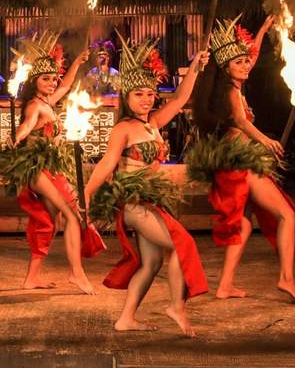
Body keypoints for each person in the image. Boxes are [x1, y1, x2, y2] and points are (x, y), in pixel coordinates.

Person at [84, 37, 210, 336]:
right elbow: (106, 164)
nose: (146, 99)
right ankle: (176, 306)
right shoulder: (123, 129)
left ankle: (125, 318)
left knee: (151, 263)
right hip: (134, 203)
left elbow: (179, 100)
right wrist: (87, 195)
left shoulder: (152, 123)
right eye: (139, 94)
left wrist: (194, 68)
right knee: (183, 245)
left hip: (151, 202)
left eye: (151, 94)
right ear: (126, 96)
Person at [186, 15, 295, 305]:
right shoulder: (230, 92)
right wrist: (266, 140)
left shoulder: (234, 85)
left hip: (234, 164)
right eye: (239, 63)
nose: (246, 66)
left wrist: (264, 30)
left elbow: (251, 56)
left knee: (243, 224)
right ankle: (286, 278)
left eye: (245, 62)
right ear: (226, 68)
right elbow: (242, 123)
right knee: (287, 214)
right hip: (241, 163)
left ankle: (225, 285)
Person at [0, 31, 105, 293]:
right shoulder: (35, 105)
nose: (53, 83)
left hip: (49, 167)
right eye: (46, 79)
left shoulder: (48, 102)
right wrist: (17, 137)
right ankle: (77, 273)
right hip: (37, 167)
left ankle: (32, 278)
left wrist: (77, 61)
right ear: (35, 81)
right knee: (71, 214)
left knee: (49, 220)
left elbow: (66, 86)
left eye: (53, 78)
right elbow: (28, 124)